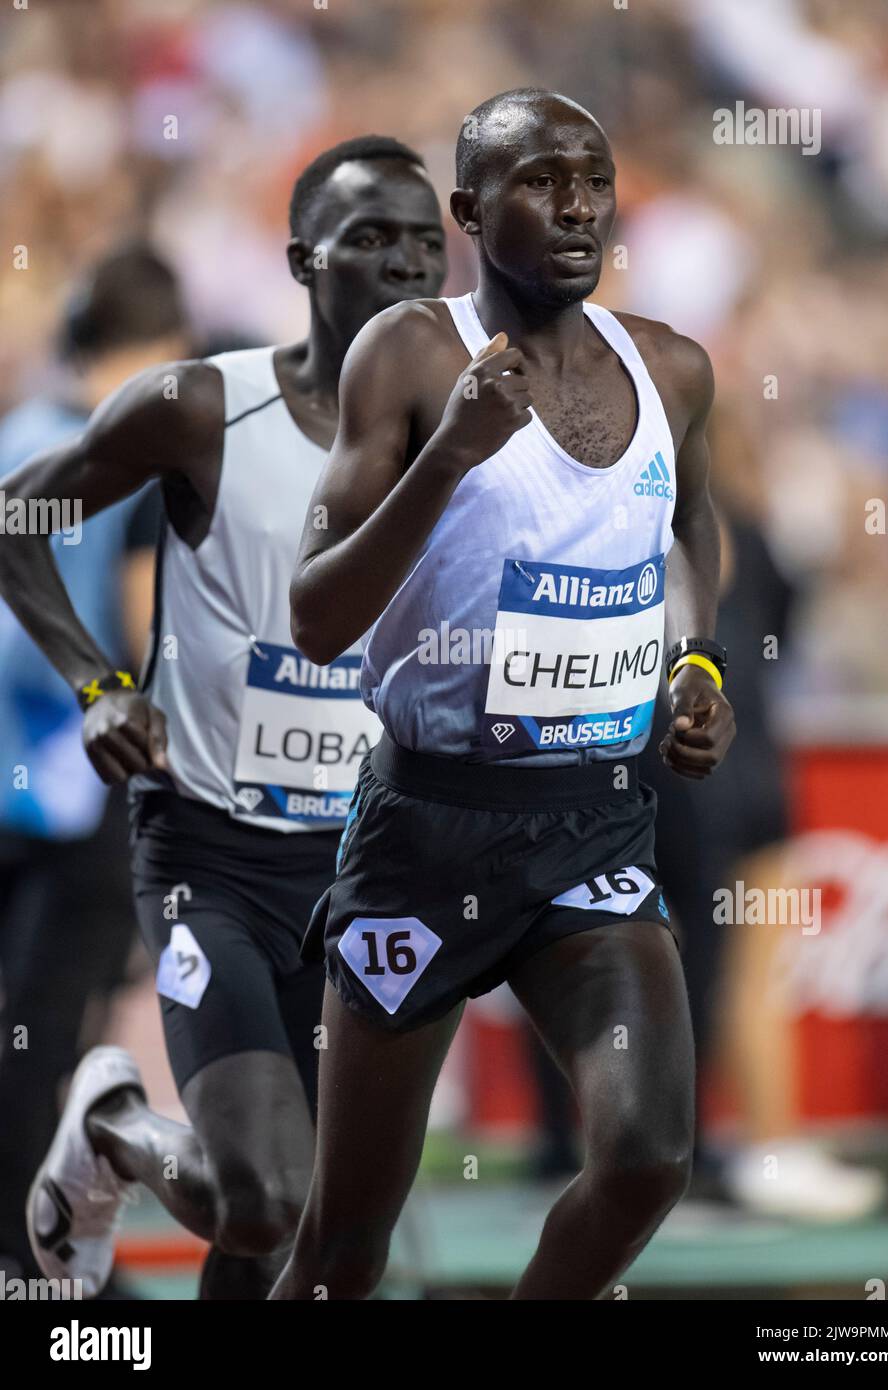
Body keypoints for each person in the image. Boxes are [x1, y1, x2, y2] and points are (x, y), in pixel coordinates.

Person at [272, 88, 736, 1301]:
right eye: (539, 181)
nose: (576, 205)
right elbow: (315, 616)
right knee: (341, 1250)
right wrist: (449, 455)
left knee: (648, 1159)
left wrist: (697, 662)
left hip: (590, 826)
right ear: (473, 212)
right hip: (426, 832)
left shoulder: (671, 366)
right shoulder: (412, 354)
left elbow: (692, 528)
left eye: (592, 177)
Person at [0, 136, 447, 1300]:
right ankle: (107, 1128)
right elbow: (15, 518)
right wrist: (102, 685)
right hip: (212, 856)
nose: (403, 266)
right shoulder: (203, 404)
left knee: (291, 1239)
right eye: (369, 240)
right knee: (260, 1193)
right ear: (304, 258)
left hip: (362, 871)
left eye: (422, 243)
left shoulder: (459, 440)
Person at [0, 243, 179, 1293]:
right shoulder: (128, 464)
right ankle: (38, 1259)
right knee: (49, 1032)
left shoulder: (15, 434)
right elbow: (149, 634)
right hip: (83, 775)